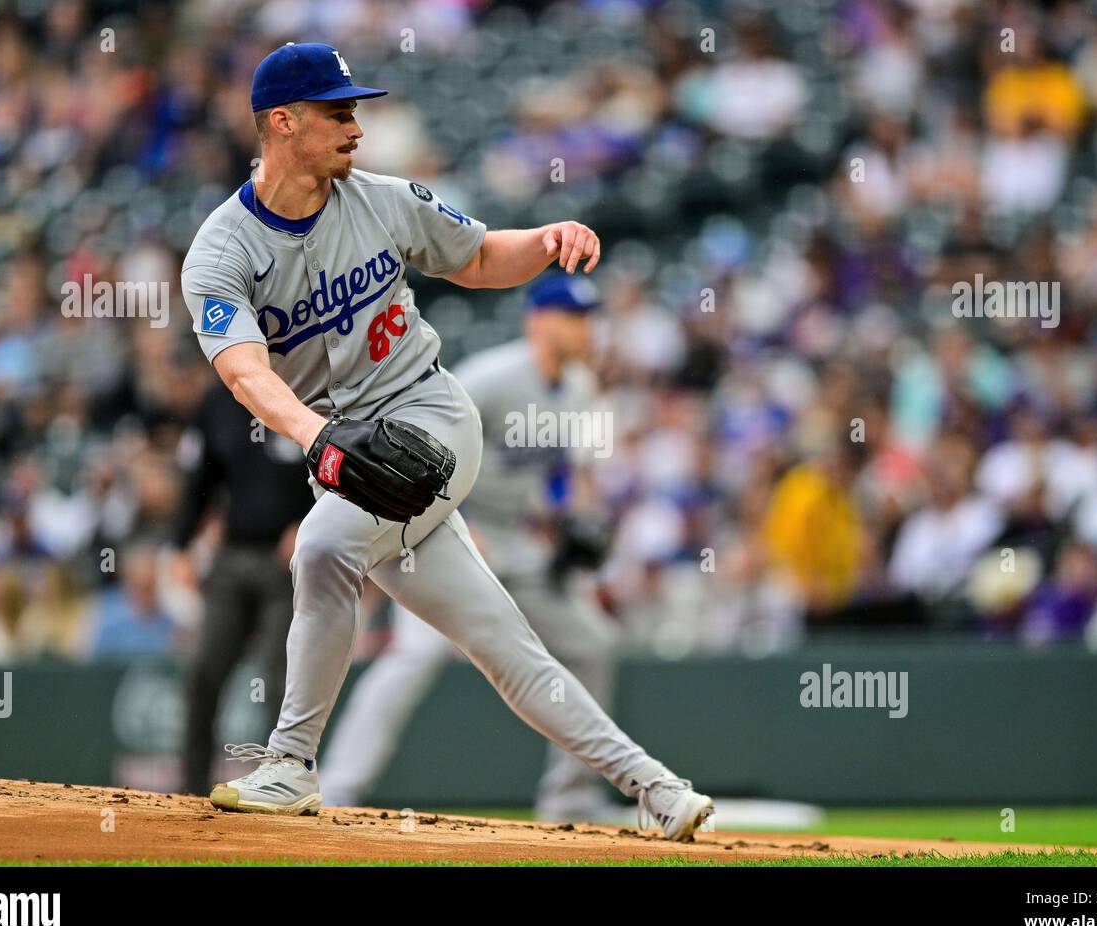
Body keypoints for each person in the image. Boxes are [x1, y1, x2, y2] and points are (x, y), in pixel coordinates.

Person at [179, 42, 713, 841]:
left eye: (356, 108)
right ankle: (659, 787)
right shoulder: (222, 251)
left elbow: (478, 257)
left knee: (322, 548)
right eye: (337, 111)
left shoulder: (381, 199)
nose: (356, 124)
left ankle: (290, 764)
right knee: (506, 648)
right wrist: (321, 440)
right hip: (356, 463)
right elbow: (245, 373)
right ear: (281, 124)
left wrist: (546, 240)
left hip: (431, 418)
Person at [319, 274, 624, 822]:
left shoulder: (579, 388)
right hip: (447, 532)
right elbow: (423, 447)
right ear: (538, 319)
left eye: (588, 317)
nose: (586, 328)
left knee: (591, 642)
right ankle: (340, 786)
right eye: (574, 317)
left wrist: (572, 520)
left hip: (517, 543)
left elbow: (557, 474)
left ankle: (570, 799)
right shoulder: (489, 376)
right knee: (414, 656)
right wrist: (452, 518)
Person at [174, 380, 316, 797]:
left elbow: (335, 465)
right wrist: (181, 544)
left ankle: (282, 783)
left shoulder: (303, 388)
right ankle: (190, 790)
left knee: (279, 679)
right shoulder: (218, 401)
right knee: (203, 674)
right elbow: (201, 476)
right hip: (232, 557)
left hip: (287, 563)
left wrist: (310, 523)